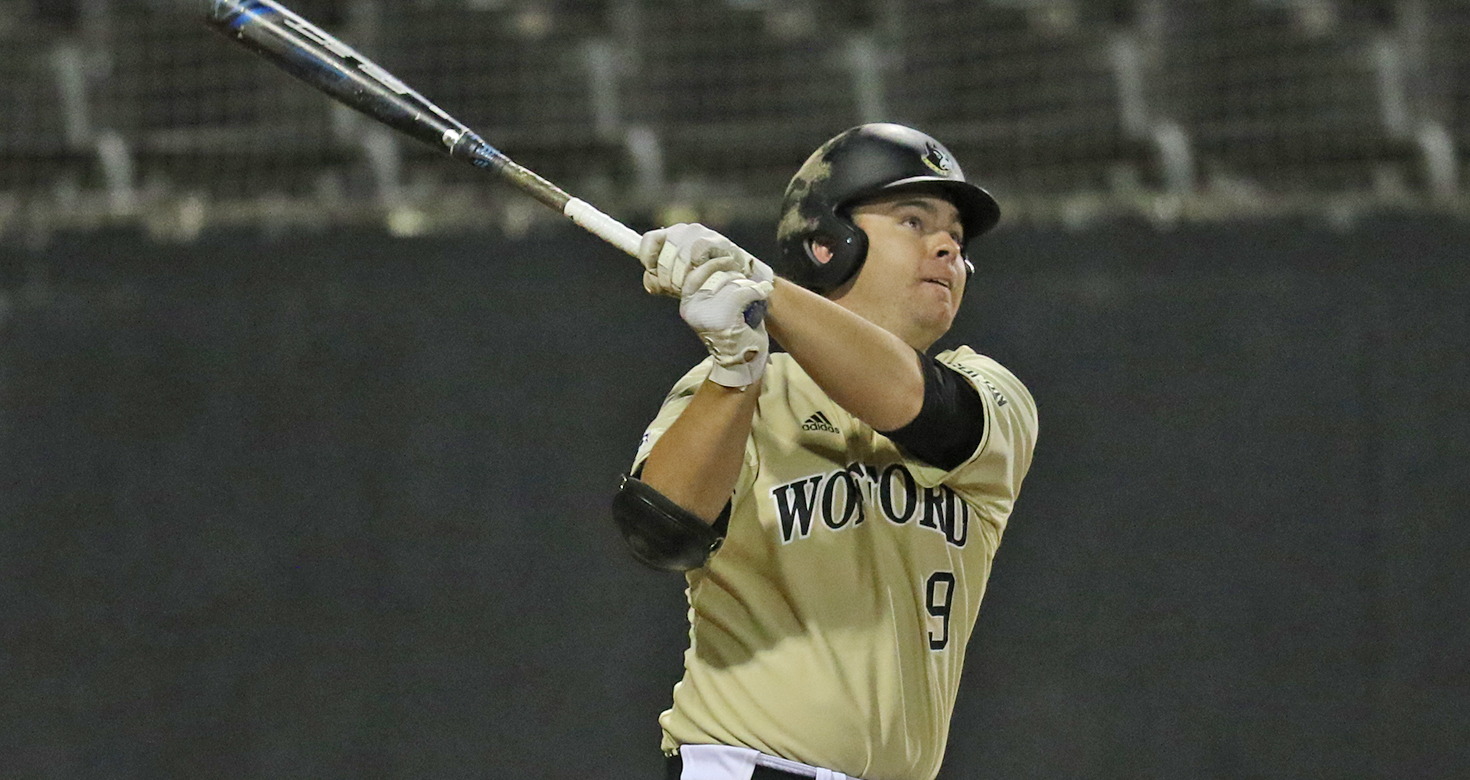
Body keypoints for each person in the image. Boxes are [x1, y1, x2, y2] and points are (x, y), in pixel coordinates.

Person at [612, 123, 1038, 780]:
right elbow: (660, 531)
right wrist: (732, 373)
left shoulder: (991, 392)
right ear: (825, 242)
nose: (949, 245)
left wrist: (765, 290)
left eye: (955, 233)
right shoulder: (748, 385)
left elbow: (926, 410)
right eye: (913, 220)